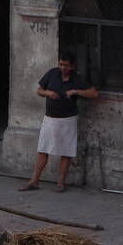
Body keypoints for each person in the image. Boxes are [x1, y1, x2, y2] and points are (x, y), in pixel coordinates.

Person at [21, 52, 99, 193]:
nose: (63, 67)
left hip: (67, 119)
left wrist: (76, 91)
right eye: (61, 64)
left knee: (66, 151)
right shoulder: (52, 74)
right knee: (43, 149)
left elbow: (94, 93)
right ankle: (34, 180)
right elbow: (39, 90)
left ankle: (61, 182)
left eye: (66, 65)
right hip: (50, 118)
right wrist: (48, 93)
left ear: (72, 66)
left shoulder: (77, 78)